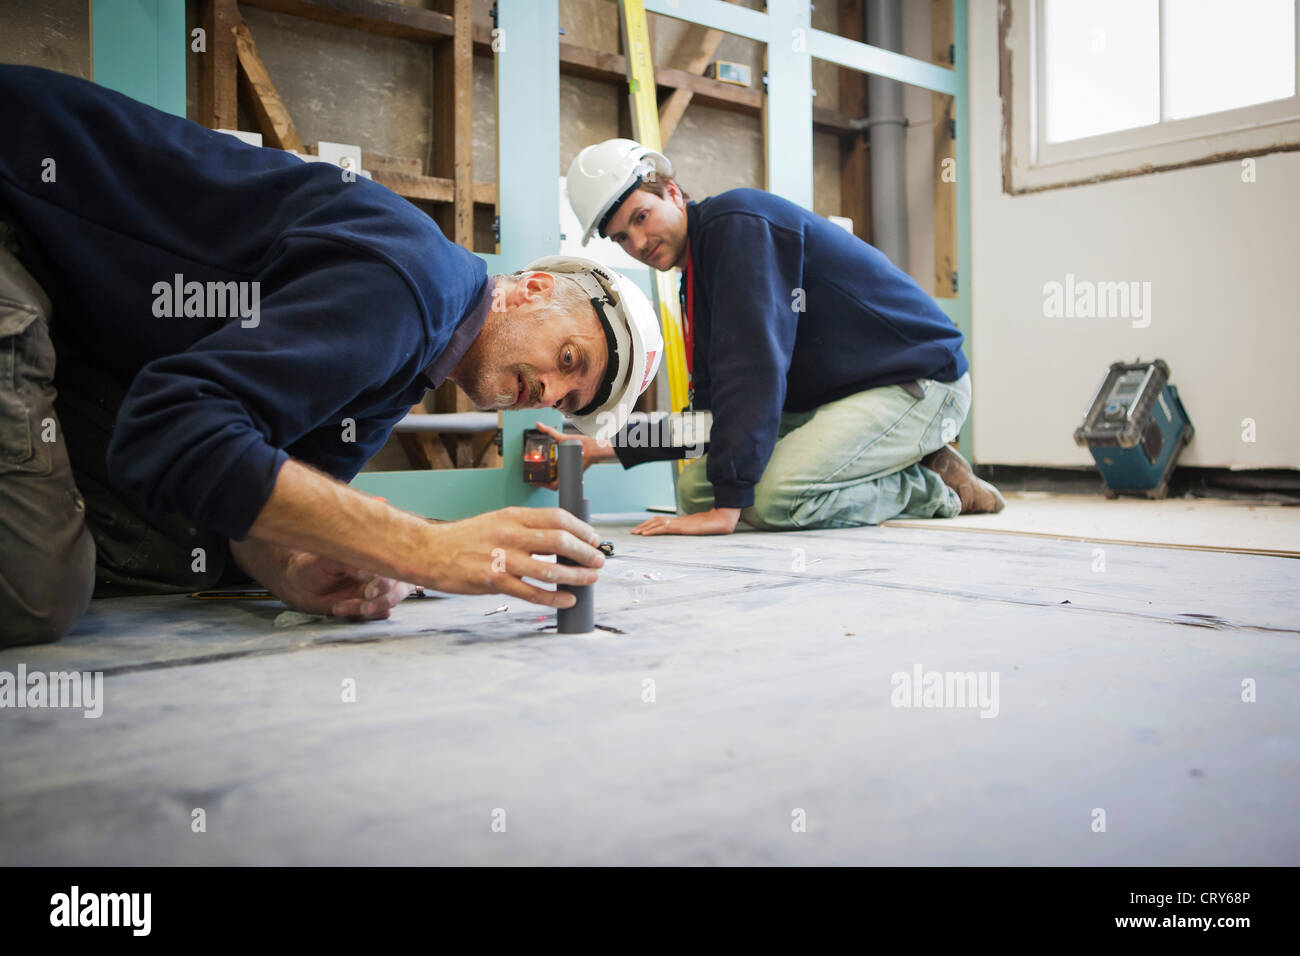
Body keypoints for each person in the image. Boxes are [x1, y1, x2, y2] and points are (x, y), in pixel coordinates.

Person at [0, 66, 660, 648]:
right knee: (39, 591)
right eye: (568, 359)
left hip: (75, 332)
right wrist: (424, 548)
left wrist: (295, 566)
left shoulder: (405, 374)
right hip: (15, 218)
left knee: (190, 545)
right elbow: (171, 425)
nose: (545, 390)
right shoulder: (415, 284)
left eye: (564, 399)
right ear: (533, 287)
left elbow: (253, 500)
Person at [549, 137, 1005, 537]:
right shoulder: (699, 277)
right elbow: (714, 413)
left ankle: (932, 487)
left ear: (671, 191)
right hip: (837, 400)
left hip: (919, 383)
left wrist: (728, 511)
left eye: (641, 216)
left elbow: (753, 372)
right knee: (694, 491)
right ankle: (891, 462)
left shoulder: (739, 226)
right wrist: (603, 445)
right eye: (622, 238)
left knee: (773, 500)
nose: (638, 242)